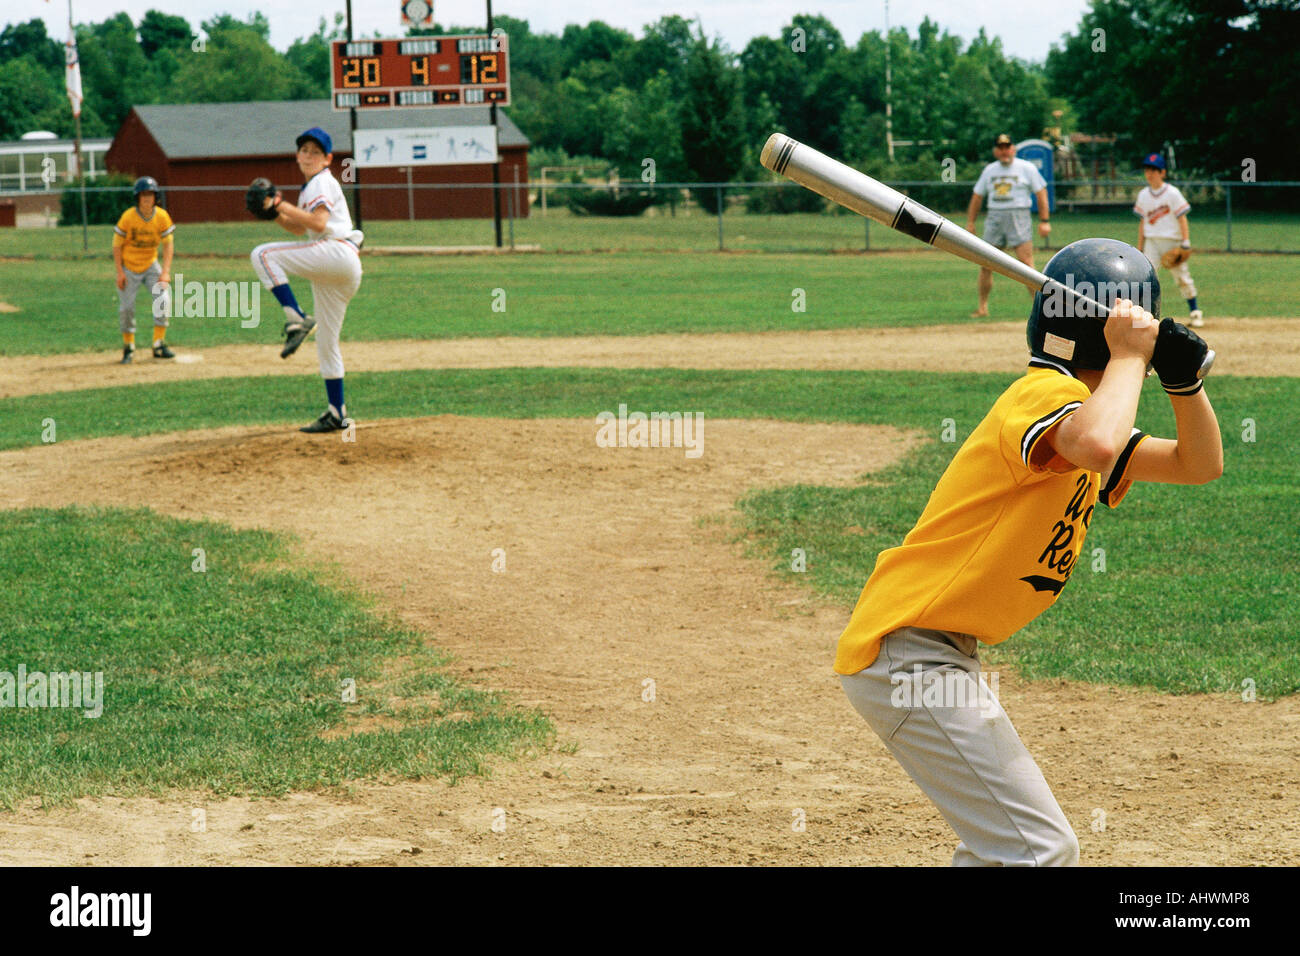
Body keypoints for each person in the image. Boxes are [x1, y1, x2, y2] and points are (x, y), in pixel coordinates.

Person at [834, 238, 1223, 866]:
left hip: (935, 655)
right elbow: (1097, 445)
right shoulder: (1040, 398)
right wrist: (1132, 355)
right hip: (908, 655)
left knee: (1016, 851)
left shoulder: (1084, 417)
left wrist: (1183, 384)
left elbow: (1197, 465)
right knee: (1037, 850)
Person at [249, 126, 364, 433]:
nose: (309, 156)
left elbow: (318, 222)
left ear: (327, 159)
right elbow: (301, 229)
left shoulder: (321, 181)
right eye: (304, 150)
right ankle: (337, 412)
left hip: (335, 254)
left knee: (262, 255)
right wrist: (275, 213)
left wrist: (280, 203)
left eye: (316, 152)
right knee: (327, 342)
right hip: (342, 267)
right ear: (297, 156)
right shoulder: (312, 187)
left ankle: (297, 317)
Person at [965, 133, 1052, 317]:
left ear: (1013, 149)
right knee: (986, 263)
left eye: (1007, 147)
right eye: (1000, 148)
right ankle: (982, 307)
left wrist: (1044, 221)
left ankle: (1038, 310)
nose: (1004, 151)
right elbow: (977, 196)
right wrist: (971, 222)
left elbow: (1041, 192)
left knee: (1026, 264)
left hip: (1018, 216)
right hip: (995, 217)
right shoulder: (990, 170)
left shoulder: (1026, 168)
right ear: (996, 150)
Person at [1135, 152, 1203, 328]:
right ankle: (1143, 314)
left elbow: (1182, 218)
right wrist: (1140, 247)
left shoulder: (1172, 193)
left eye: (1154, 170)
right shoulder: (1143, 195)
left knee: (1182, 277)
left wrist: (1185, 242)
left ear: (1163, 172)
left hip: (1172, 241)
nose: (1150, 173)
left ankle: (1195, 312)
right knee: (1147, 277)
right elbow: (1143, 222)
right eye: (1147, 170)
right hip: (1152, 242)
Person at [113, 176, 175, 363]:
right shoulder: (129, 216)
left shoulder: (162, 216)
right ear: (137, 198)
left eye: (150, 194)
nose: (147, 199)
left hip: (150, 265)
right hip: (129, 266)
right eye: (143, 195)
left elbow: (168, 245)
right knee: (127, 308)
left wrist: (165, 272)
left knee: (163, 300)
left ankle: (158, 344)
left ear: (156, 197)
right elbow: (117, 246)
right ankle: (129, 347)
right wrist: (120, 272)